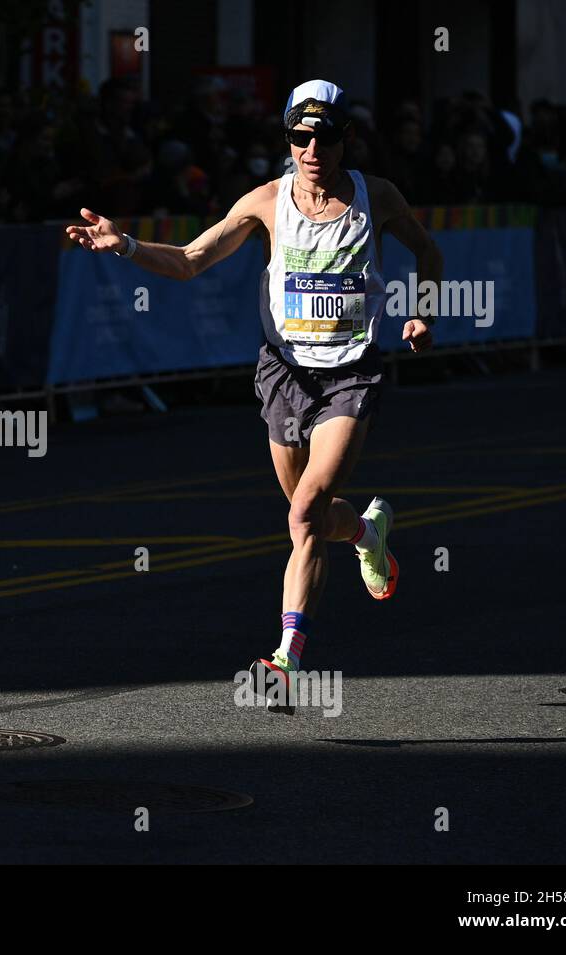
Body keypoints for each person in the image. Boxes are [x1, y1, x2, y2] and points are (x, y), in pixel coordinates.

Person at [66, 79, 441, 711]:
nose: (312, 148)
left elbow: (427, 252)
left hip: (350, 374)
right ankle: (366, 534)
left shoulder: (377, 197)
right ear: (288, 141)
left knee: (302, 516)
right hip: (284, 375)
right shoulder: (266, 203)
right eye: (300, 137)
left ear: (346, 139)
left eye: (324, 136)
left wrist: (424, 313)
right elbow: (189, 260)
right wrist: (123, 244)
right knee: (313, 518)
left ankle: (286, 660)